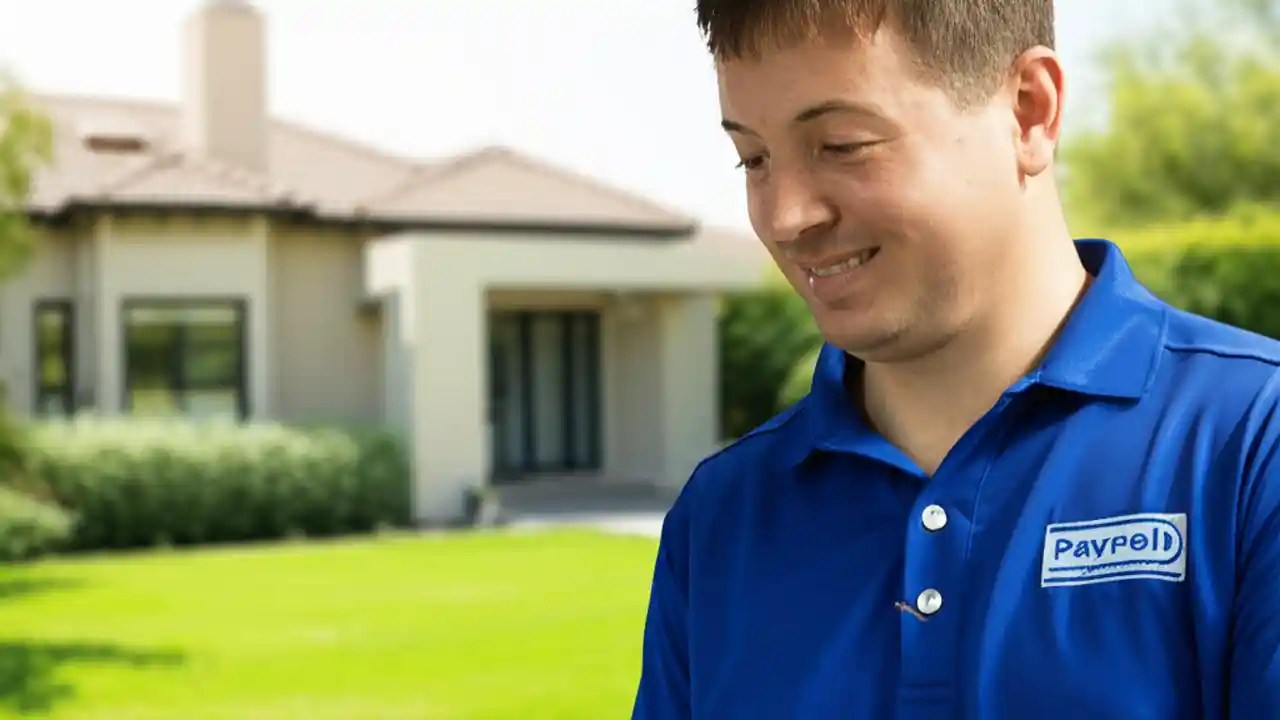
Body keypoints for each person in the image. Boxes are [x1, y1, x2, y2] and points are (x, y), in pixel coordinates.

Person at [631, 1, 1280, 718]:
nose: (785, 217)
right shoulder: (721, 517)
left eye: (842, 145)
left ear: (1030, 111)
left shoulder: (1251, 447)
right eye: (753, 158)